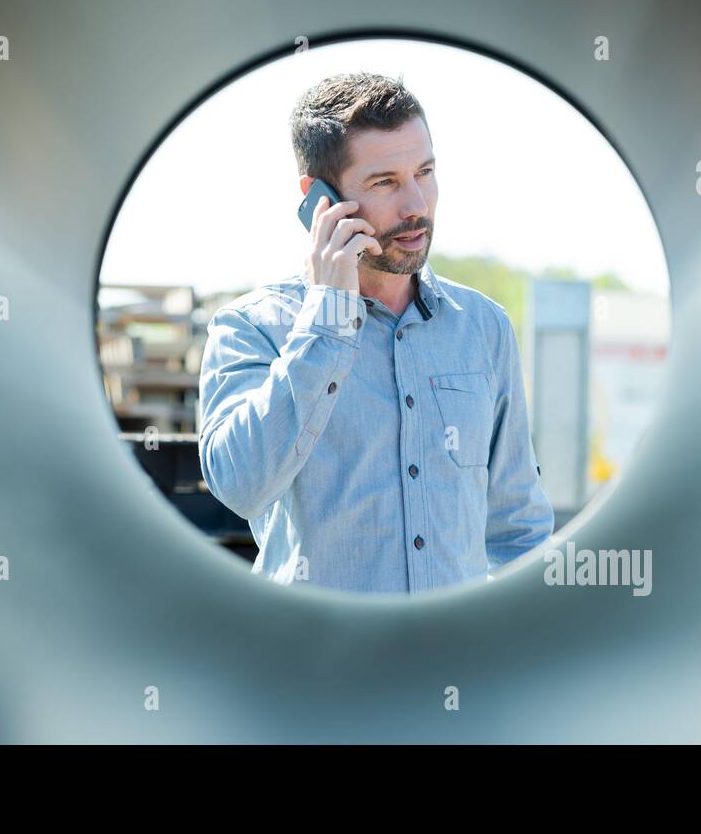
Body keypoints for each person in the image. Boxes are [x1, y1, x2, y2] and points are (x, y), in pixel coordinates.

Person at [197, 71, 553, 594]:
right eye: (385, 182)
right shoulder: (251, 328)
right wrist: (327, 320)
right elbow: (241, 487)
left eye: (425, 172)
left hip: (455, 667)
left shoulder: (484, 328)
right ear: (319, 198)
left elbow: (518, 526)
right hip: (317, 668)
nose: (416, 205)